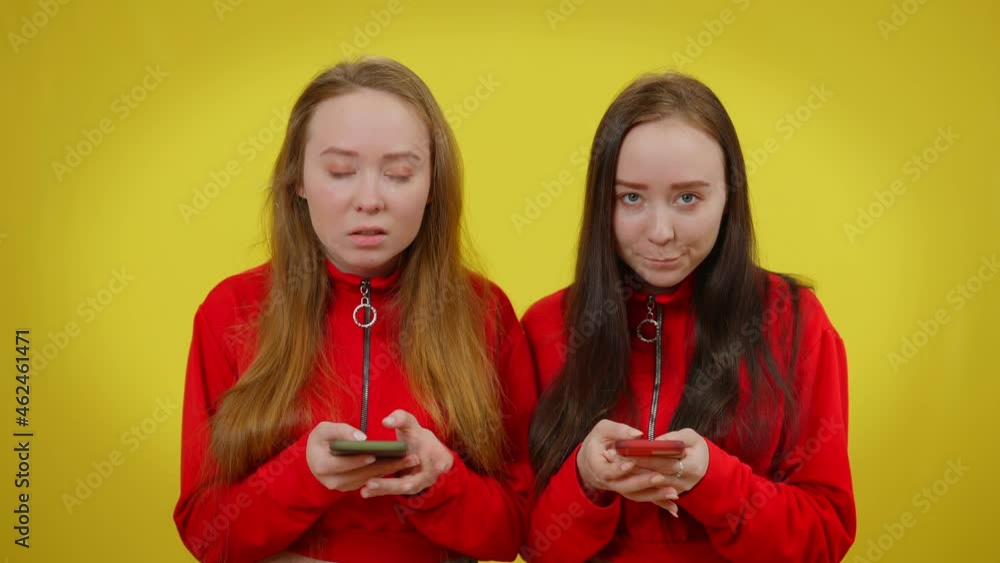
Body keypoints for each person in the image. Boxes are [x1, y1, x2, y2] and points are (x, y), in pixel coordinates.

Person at [174, 57, 537, 563]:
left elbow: (519, 533)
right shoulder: (231, 310)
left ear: (433, 184)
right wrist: (304, 475)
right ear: (297, 180)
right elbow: (206, 535)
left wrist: (441, 480)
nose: (369, 200)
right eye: (341, 172)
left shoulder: (484, 312)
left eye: (399, 173)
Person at [521, 72, 856, 562]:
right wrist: (585, 481)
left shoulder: (794, 321)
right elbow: (530, 544)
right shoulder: (546, 327)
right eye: (631, 197)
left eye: (688, 198)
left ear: (729, 199)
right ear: (602, 203)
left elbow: (824, 538)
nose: (661, 232)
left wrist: (712, 480)